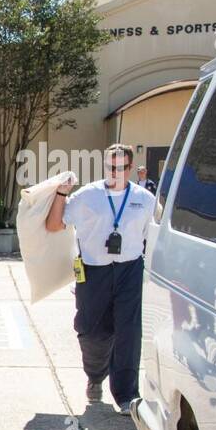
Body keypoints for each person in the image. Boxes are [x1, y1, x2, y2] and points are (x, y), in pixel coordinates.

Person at [45, 144, 153, 415]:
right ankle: (95, 376)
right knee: (92, 331)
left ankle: (127, 395)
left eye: (121, 168)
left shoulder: (145, 199)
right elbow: (54, 225)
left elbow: (155, 236)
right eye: (110, 167)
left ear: (131, 168)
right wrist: (61, 193)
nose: (115, 172)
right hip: (93, 271)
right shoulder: (88, 195)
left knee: (128, 332)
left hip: (130, 269)